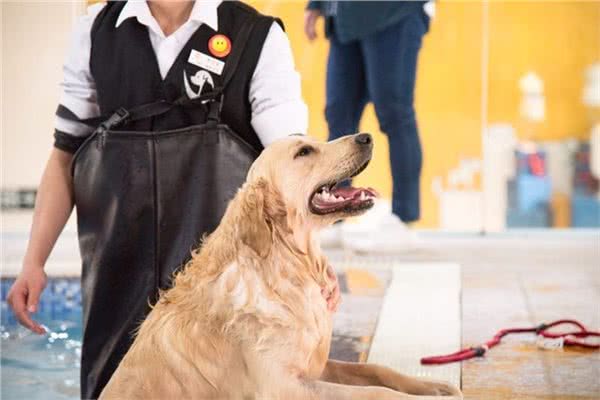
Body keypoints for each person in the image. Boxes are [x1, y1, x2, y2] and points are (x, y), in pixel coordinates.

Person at [7, 1, 339, 398]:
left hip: (223, 299)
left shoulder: (257, 36)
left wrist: (312, 259)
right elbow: (66, 156)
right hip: (116, 286)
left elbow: (290, 169)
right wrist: (33, 261)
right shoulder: (94, 32)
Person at [304, 1, 433, 252]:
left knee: (395, 113)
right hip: (343, 18)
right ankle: (336, 214)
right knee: (339, 116)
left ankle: (403, 218)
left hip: (393, 13)